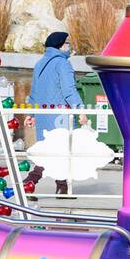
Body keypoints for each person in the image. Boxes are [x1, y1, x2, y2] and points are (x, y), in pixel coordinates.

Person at [29, 31, 84, 194]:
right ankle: (29, 183)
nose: (70, 46)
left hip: (43, 117)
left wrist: (31, 114)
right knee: (57, 153)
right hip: (60, 118)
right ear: (60, 45)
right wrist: (81, 110)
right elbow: (69, 91)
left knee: (53, 153)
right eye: (67, 43)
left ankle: (62, 188)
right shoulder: (63, 64)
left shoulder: (40, 63)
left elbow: (34, 92)